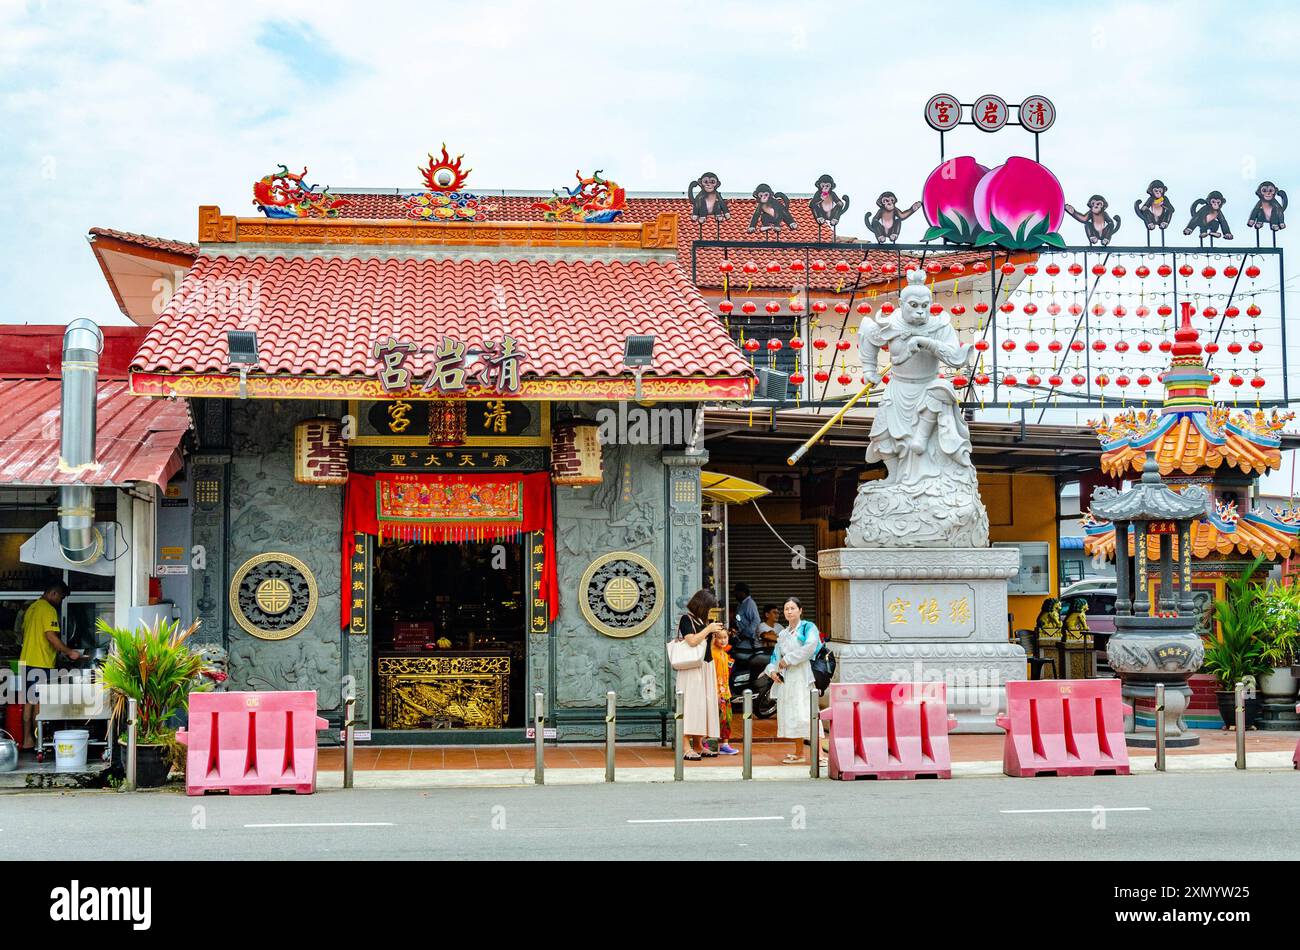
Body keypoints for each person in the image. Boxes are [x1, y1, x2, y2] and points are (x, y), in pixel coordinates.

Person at [763, 596, 824, 765]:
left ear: (800, 610)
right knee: (792, 713)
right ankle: (799, 752)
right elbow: (776, 656)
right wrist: (772, 671)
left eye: (792, 608)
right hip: (787, 678)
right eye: (786, 609)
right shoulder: (782, 634)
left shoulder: (807, 627)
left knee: (807, 712)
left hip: (803, 675)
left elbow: (811, 646)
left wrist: (789, 659)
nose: (789, 611)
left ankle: (819, 753)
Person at [18, 582, 77, 750]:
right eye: (61, 597)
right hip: (40, 662)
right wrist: (69, 652)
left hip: (27, 660)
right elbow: (50, 636)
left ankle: (28, 740)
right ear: (53, 593)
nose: (60, 601)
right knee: (39, 704)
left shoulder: (32, 608)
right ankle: (39, 742)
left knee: (29, 702)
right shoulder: (48, 610)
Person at [674, 589, 723, 760]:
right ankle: (685, 746)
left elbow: (706, 645)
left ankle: (699, 744)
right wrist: (708, 629)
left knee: (702, 706)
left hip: (706, 666)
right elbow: (692, 641)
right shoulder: (686, 619)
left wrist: (714, 633)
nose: (711, 611)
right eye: (710, 608)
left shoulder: (704, 621)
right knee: (690, 706)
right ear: (702, 606)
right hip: (691, 669)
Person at [710, 622, 738, 755]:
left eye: (725, 637)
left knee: (727, 718)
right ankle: (710, 742)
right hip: (715, 692)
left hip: (725, 692)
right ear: (714, 638)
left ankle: (725, 744)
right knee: (715, 718)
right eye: (719, 637)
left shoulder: (725, 654)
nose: (722, 640)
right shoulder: (712, 654)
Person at [732, 583, 760, 649]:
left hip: (748, 640)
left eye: (736, 593)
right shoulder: (741, 604)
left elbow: (756, 621)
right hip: (741, 638)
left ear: (742, 593)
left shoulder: (750, 604)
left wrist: (745, 633)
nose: (735, 595)